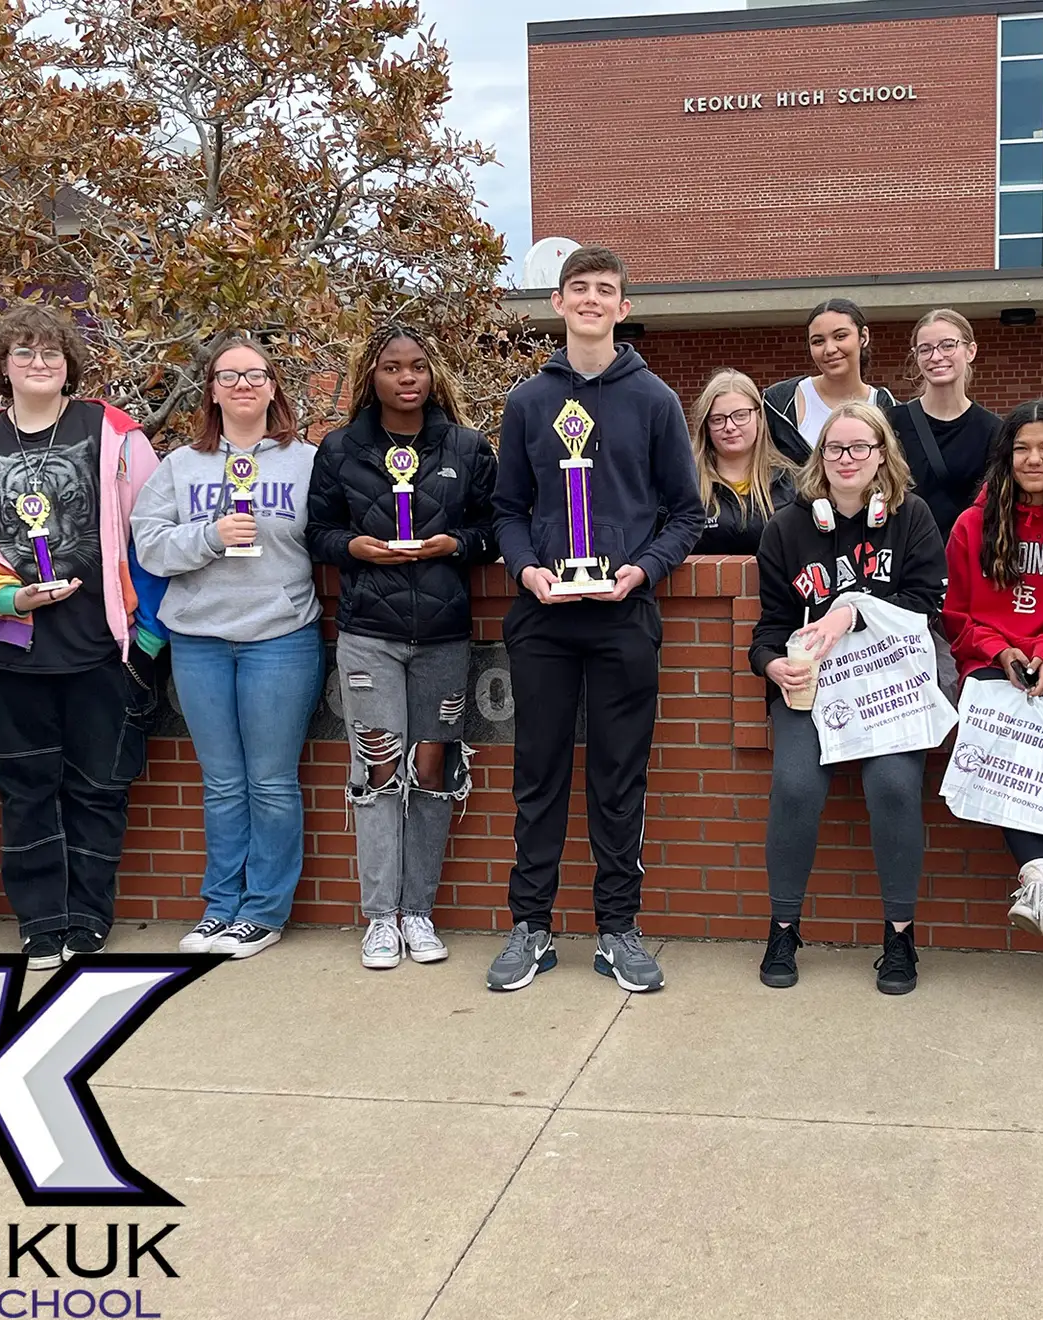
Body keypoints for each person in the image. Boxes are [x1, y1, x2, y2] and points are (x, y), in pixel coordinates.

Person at [488, 245, 705, 994]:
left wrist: (642, 570)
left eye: (604, 290)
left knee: (619, 780)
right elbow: (507, 511)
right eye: (578, 288)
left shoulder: (655, 401)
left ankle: (617, 929)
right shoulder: (527, 402)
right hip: (544, 618)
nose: (590, 300)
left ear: (622, 307)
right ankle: (531, 927)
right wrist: (526, 570)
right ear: (557, 303)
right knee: (537, 777)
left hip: (623, 616)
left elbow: (686, 513)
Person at [0, 304, 167, 970]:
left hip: (99, 645)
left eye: (52, 353)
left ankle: (88, 918)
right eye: (25, 352)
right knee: (26, 790)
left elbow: (156, 534)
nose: (39, 363)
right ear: (3, 364)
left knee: (97, 789)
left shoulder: (113, 432)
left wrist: (146, 637)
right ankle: (41, 923)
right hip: (12, 649)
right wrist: (5, 596)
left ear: (70, 366)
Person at [308, 323, 498, 969]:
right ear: (374, 375)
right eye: (393, 366)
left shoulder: (467, 448)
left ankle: (418, 911)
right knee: (379, 769)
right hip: (369, 637)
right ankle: (379, 918)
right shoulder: (340, 449)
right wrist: (352, 548)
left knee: (433, 771)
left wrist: (457, 545)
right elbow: (319, 534)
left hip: (443, 636)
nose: (407, 377)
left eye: (417, 366)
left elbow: (493, 529)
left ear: (432, 373)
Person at [133, 336, 322, 961]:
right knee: (220, 783)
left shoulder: (308, 462)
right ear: (211, 388)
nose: (243, 384)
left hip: (280, 636)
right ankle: (220, 906)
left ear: (273, 386)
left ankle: (263, 910)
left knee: (270, 782)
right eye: (229, 375)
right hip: (200, 641)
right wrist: (209, 536)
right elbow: (150, 546)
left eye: (256, 374)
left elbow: (332, 535)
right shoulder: (180, 466)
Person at [748, 402, 947, 994]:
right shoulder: (788, 527)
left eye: (861, 447)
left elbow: (926, 606)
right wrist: (773, 665)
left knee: (891, 785)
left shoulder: (911, 518)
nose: (847, 459)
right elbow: (768, 627)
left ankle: (900, 937)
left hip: (891, 685)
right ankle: (783, 927)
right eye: (835, 448)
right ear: (821, 457)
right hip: (816, 688)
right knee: (796, 785)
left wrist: (851, 609)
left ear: (882, 454)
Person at [943, 400, 1043, 935]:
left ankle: (1038, 876)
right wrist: (1000, 651)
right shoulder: (972, 524)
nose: (1034, 459)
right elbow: (957, 615)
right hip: (994, 656)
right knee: (1000, 726)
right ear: (1005, 456)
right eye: (1021, 448)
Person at [887, 308, 1003, 541]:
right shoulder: (891, 423)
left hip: (967, 559)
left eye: (948, 345)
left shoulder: (995, 430)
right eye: (925, 349)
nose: (936, 356)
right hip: (906, 561)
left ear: (970, 351)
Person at [762, 299, 896, 464]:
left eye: (840, 336)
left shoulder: (889, 408)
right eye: (818, 341)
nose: (830, 349)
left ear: (863, 337)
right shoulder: (778, 404)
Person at [688, 368, 796, 554]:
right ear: (706, 426)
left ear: (759, 418)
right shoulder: (687, 483)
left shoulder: (789, 482)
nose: (729, 427)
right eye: (717, 419)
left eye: (740, 415)